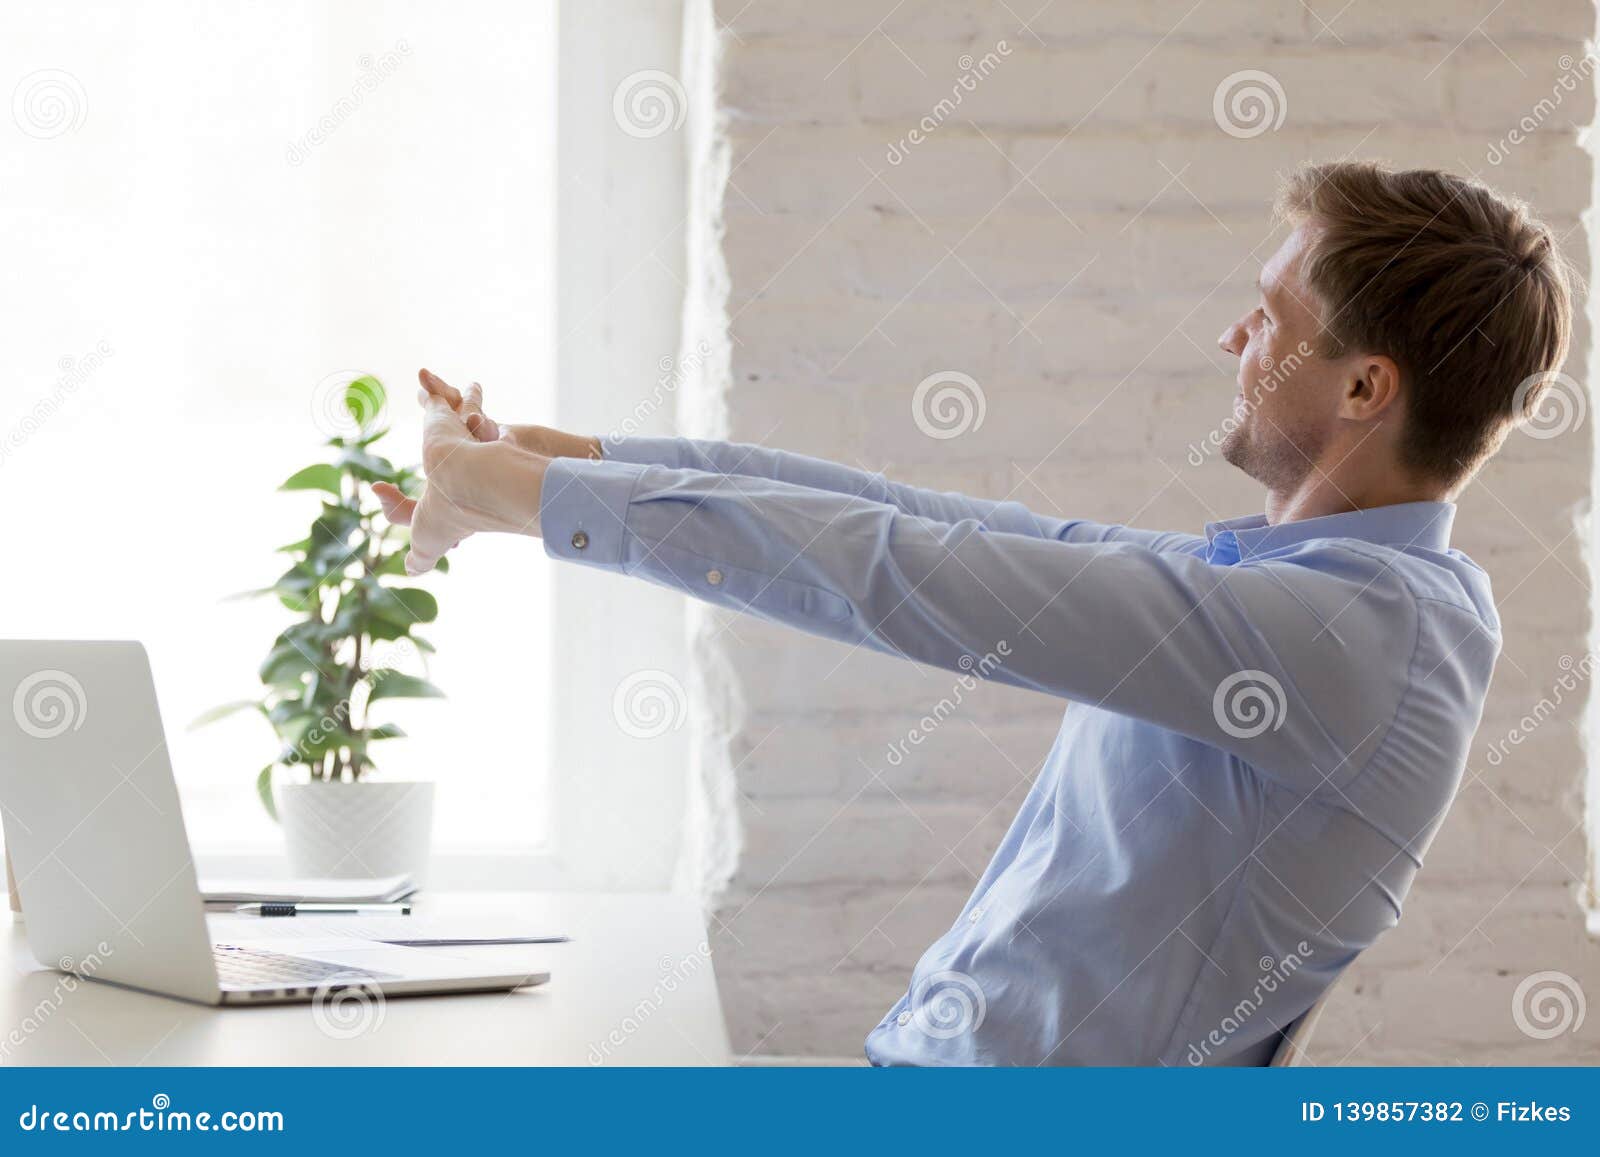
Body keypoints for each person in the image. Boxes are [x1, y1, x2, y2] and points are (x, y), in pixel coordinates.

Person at [374, 161, 1573, 1066]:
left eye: (1270, 315)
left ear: (1366, 385)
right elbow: (927, 523)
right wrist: (570, 458)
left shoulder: (1348, 634)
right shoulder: (1307, 591)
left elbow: (907, 576)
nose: (1232, 335)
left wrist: (519, 498)